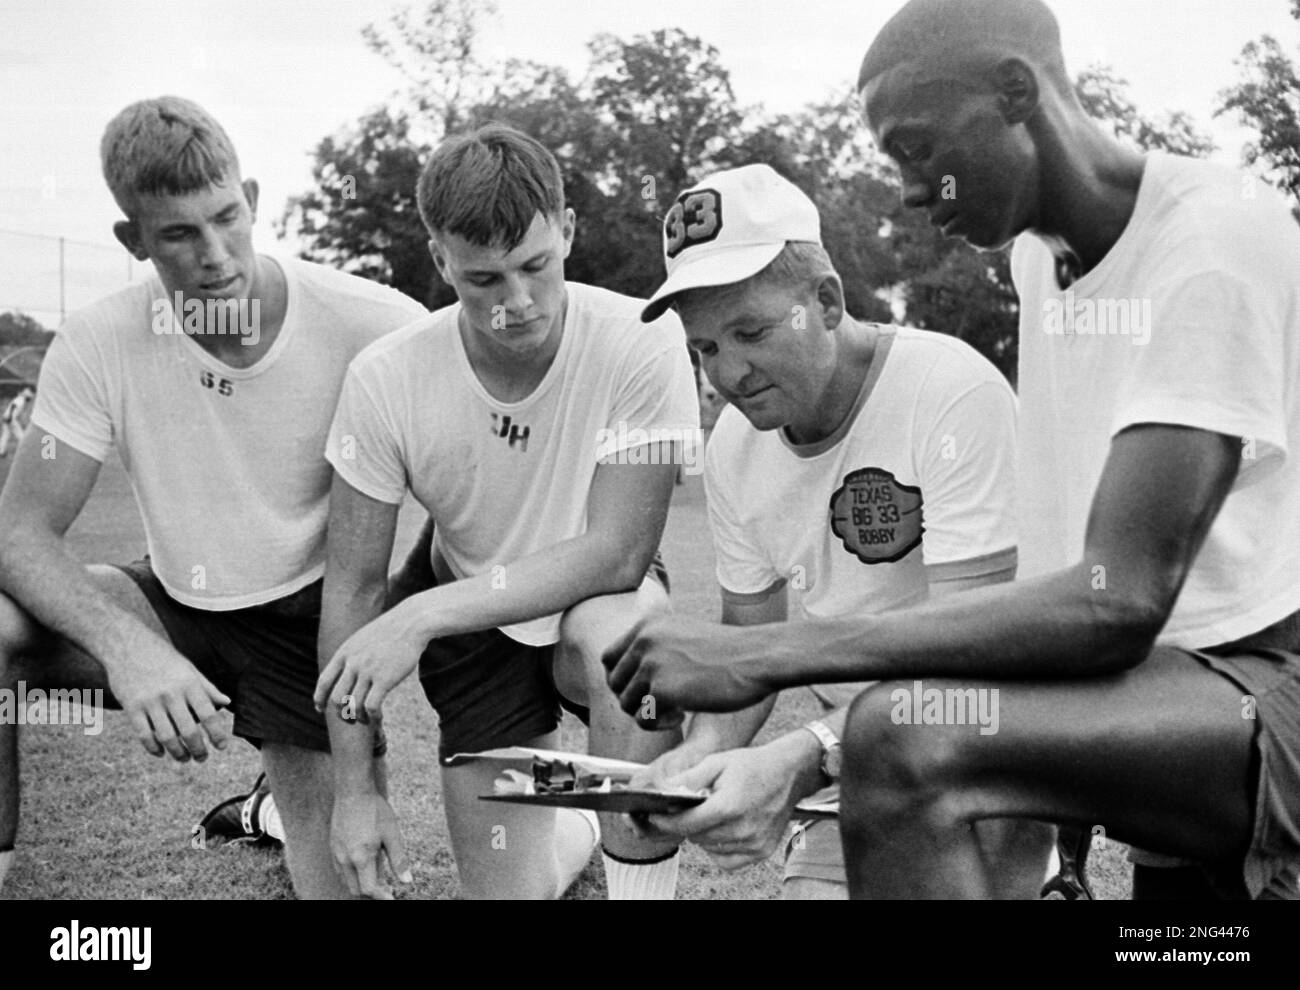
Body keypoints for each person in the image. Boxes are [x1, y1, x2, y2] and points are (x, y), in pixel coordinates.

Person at [604, 0, 1300, 900]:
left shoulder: (1212, 243)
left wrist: (771, 655)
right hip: (1156, 705)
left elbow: (1119, 599)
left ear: (1019, 90)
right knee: (1186, 949)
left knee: (905, 734)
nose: (907, 188)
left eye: (919, 147)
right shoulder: (1040, 260)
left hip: (1260, 691)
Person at [0, 96, 427, 898]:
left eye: (228, 217)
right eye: (179, 234)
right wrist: (130, 651)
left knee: (347, 885)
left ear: (254, 200)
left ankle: (275, 809)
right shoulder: (99, 340)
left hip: (310, 628)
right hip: (175, 608)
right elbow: (17, 532)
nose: (217, 253)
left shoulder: (375, 323)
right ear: (133, 241)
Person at [616, 162, 1049, 899]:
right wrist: (697, 763)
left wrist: (804, 755)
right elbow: (753, 653)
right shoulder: (732, 448)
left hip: (982, 748)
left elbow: (981, 659)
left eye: (750, 330)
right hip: (851, 765)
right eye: (706, 348)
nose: (730, 372)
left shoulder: (950, 395)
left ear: (825, 300)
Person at [312, 124, 700, 899]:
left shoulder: (641, 338)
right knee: (510, 889)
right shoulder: (387, 377)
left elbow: (619, 552)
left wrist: (418, 616)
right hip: (477, 635)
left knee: (627, 648)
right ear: (441, 261)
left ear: (567, 230)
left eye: (535, 266)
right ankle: (584, 820)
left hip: (590, 601)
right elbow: (353, 591)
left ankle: (633, 874)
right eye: (484, 279)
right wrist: (357, 791)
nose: (516, 303)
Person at [0, 388, 35, 457]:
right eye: (29, 398)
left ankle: (1, 452)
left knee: (5, 435)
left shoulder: (20, 399)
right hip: (10, 419)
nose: (29, 399)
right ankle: (25, 451)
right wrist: (10, 416)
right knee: (21, 435)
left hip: (6, 418)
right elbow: (13, 406)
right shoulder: (21, 400)